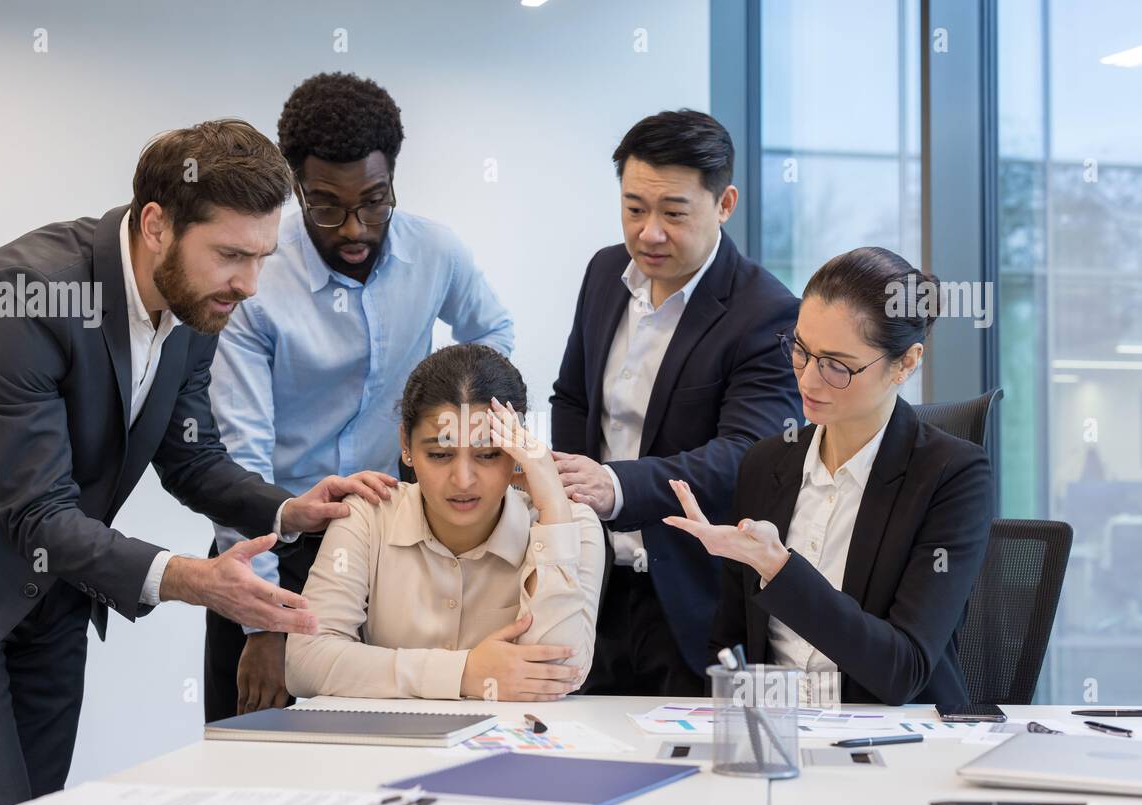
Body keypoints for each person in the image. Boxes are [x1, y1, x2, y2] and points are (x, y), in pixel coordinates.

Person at [0, 119, 392, 805]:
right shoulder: (19, 295)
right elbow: (39, 512)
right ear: (158, 225)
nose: (249, 285)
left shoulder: (200, 302)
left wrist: (290, 506)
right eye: (231, 255)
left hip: (55, 590)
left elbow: (191, 458)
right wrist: (194, 579)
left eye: (261, 257)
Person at [207, 73, 514, 719]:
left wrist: (439, 425)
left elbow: (493, 332)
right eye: (326, 205)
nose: (354, 226)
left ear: (393, 179)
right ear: (296, 187)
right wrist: (263, 625)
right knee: (252, 759)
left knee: (378, 746)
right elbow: (241, 458)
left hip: (383, 544)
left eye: (375, 201)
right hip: (272, 542)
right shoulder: (259, 279)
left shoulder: (436, 251)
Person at [665, 247, 995, 706]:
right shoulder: (766, 463)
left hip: (891, 738)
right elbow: (730, 645)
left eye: (837, 365)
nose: (808, 381)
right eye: (800, 351)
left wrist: (778, 569)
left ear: (906, 363)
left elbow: (902, 670)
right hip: (771, 732)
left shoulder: (953, 476)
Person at [550, 109, 802, 696]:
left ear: (725, 203)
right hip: (592, 588)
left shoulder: (765, 313)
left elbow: (746, 456)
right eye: (634, 209)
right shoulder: (605, 272)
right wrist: (568, 492)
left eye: (673, 213)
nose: (649, 233)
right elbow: (572, 398)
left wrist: (615, 486)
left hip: (692, 601)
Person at [285, 345, 604, 701]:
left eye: (487, 454)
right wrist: (464, 673)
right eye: (439, 454)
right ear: (406, 443)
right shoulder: (366, 517)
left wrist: (554, 511)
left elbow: (558, 675)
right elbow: (305, 662)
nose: (463, 480)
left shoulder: (570, 524)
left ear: (519, 447)